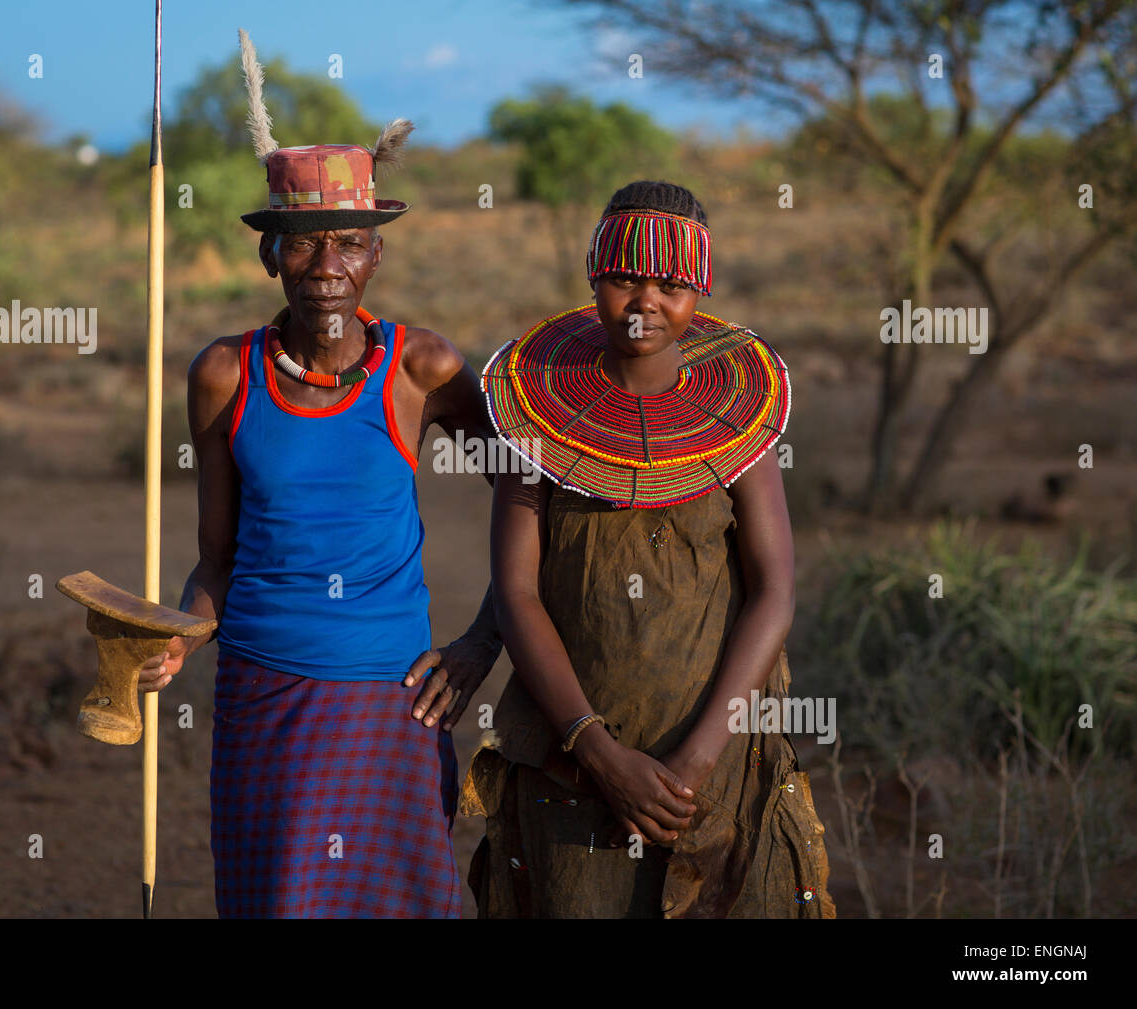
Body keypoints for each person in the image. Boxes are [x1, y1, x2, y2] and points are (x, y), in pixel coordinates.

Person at [135, 30, 500, 918]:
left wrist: (485, 640)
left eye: (347, 244)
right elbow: (216, 558)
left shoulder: (426, 370)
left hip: (393, 701)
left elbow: (533, 500)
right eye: (301, 244)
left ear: (377, 254)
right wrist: (179, 635)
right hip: (266, 695)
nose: (325, 268)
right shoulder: (224, 374)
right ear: (270, 255)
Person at [463, 180, 835, 918]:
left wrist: (693, 762)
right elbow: (519, 593)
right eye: (625, 278)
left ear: (700, 291)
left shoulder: (738, 415)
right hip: (571, 776)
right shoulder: (536, 414)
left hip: (722, 770)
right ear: (594, 276)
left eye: (671, 284)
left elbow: (775, 591)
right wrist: (598, 752)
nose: (645, 303)